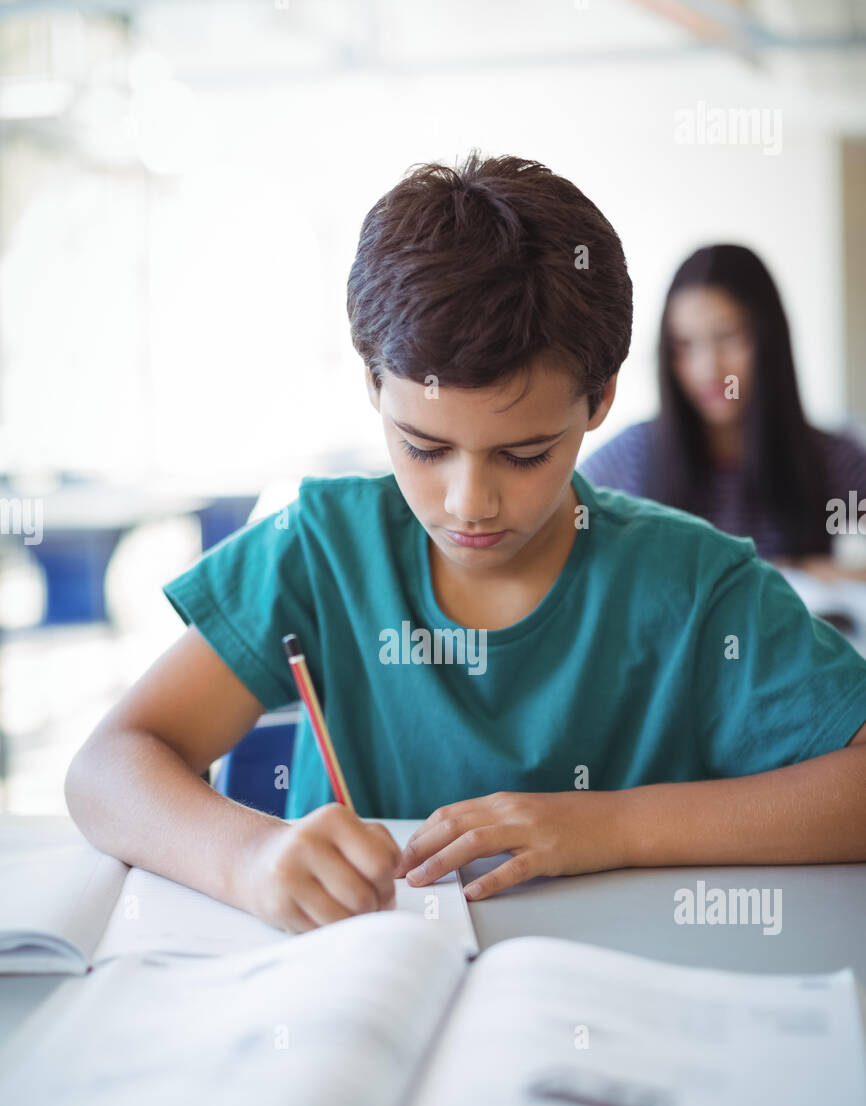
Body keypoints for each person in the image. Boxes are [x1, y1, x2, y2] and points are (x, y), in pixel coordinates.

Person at [64, 154, 866, 935]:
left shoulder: (697, 585)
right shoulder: (317, 549)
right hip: (351, 992)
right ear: (373, 384)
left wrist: (615, 826)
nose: (468, 503)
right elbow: (107, 768)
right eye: (423, 446)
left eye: (524, 455)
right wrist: (247, 858)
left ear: (600, 400)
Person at [580, 244, 866, 579]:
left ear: (768, 338)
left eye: (727, 337)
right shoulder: (629, 459)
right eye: (685, 346)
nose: (708, 370)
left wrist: (818, 573)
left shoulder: (832, 459)